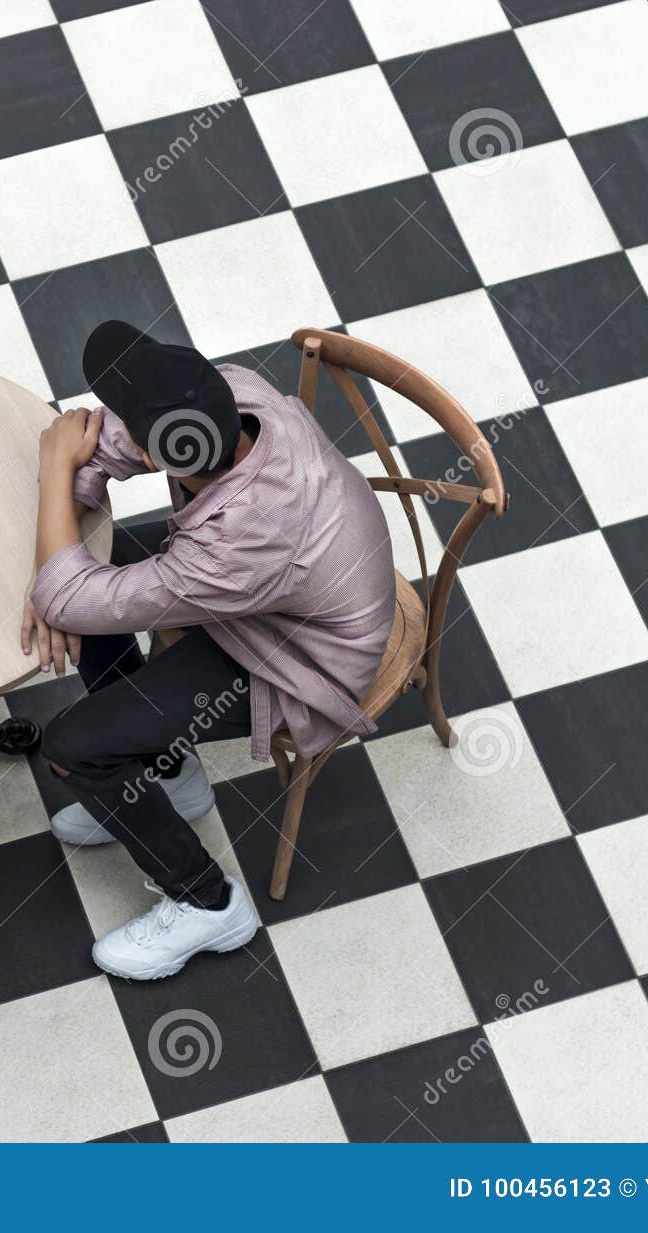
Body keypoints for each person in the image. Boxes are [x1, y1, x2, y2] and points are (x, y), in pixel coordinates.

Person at [22, 320, 395, 980]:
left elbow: (72, 575)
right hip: (277, 598)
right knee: (91, 586)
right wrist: (60, 559)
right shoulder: (229, 397)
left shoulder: (234, 546)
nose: (114, 419)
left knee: (72, 746)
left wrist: (56, 491)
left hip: (297, 662)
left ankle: (207, 902)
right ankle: (169, 773)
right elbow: (104, 446)